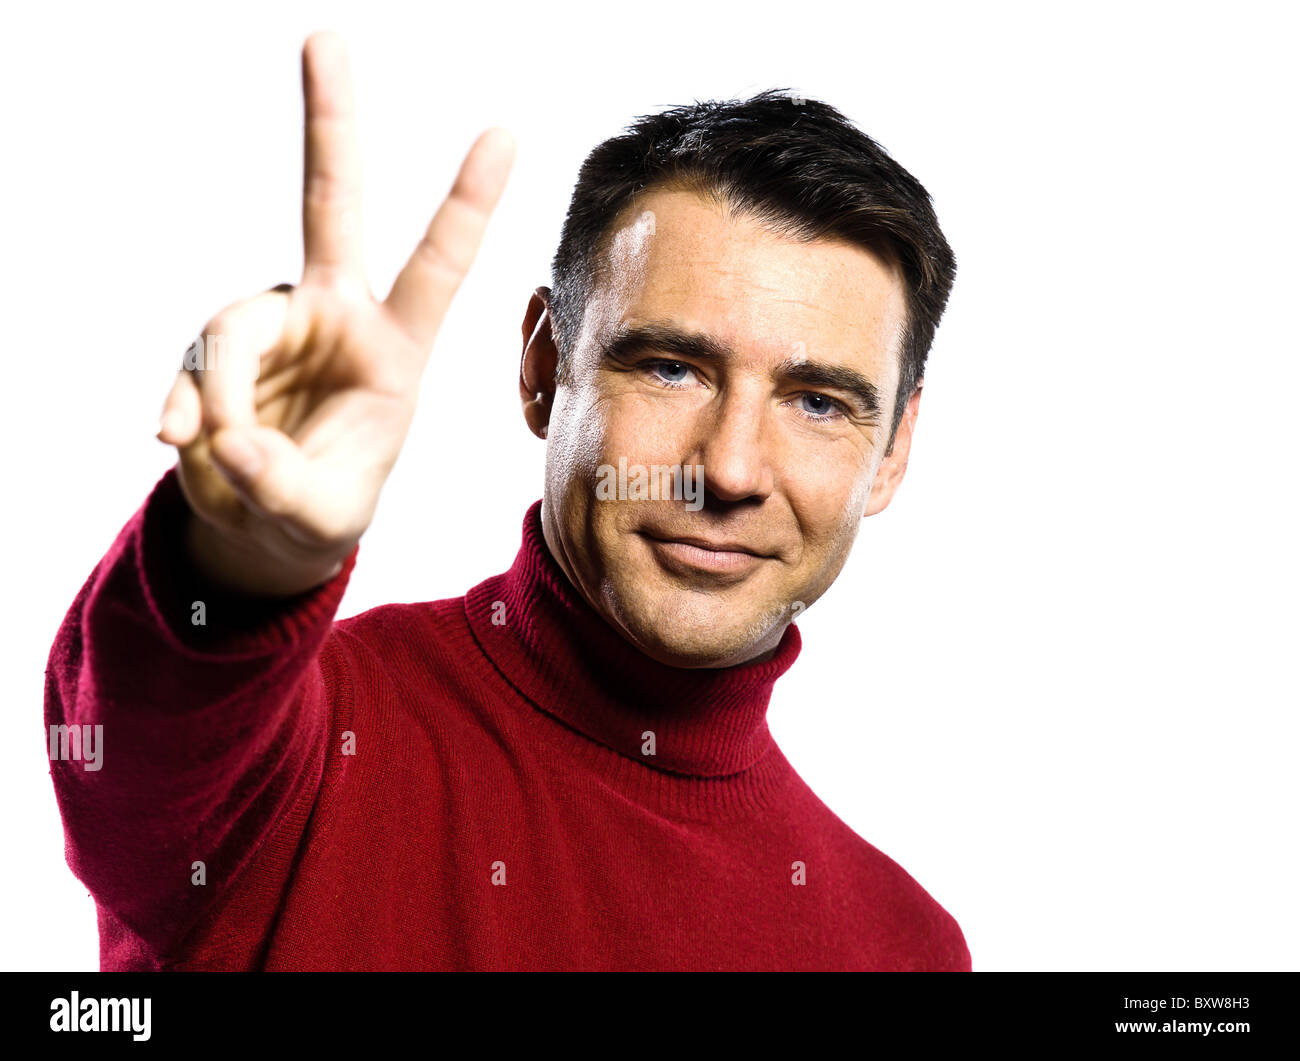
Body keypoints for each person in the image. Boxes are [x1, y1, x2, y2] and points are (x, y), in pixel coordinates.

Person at [45, 31, 969, 971]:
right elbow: (134, 751)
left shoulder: (908, 948)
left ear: (893, 447)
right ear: (541, 367)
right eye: (671, 367)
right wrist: (245, 554)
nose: (730, 470)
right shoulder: (303, 752)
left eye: (818, 402)